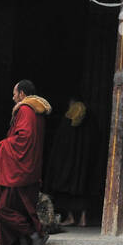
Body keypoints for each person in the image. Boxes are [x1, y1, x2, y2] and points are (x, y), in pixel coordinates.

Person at [0, 80, 52, 245]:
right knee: (20, 208)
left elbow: (24, 139)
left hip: (18, 169)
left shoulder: (25, 110)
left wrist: (2, 146)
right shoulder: (36, 113)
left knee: (4, 208)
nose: (13, 97)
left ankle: (35, 235)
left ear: (22, 94)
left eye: (15, 93)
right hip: (28, 168)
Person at [44, 97, 98, 227]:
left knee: (66, 190)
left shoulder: (67, 120)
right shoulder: (89, 120)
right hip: (84, 165)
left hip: (68, 165)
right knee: (84, 188)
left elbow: (60, 144)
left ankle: (71, 217)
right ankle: (83, 219)